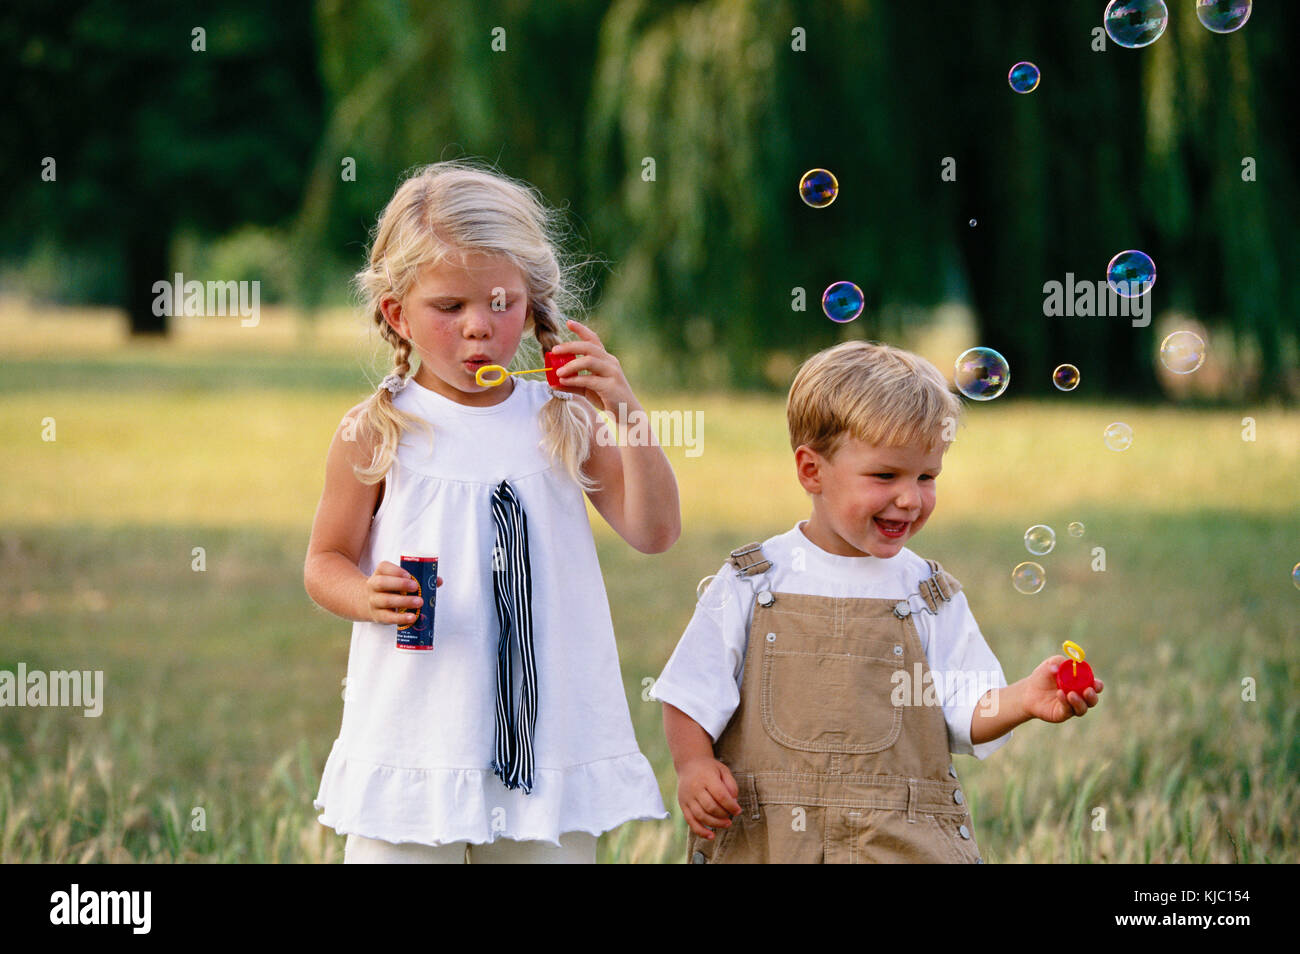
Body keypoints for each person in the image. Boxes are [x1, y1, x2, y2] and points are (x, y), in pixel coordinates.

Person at [304, 160, 679, 863]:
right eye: (450, 308)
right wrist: (365, 594)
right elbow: (323, 563)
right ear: (397, 313)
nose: (480, 328)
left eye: (501, 303)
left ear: (531, 302)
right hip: (418, 738)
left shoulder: (565, 420)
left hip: (549, 742)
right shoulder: (377, 430)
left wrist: (625, 411)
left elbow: (655, 533)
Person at [650, 340, 1103, 863]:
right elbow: (689, 691)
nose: (910, 498)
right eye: (885, 475)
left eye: (926, 476)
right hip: (772, 839)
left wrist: (1023, 699)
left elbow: (965, 707)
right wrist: (694, 767)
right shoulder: (753, 580)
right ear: (811, 471)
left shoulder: (929, 593)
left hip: (898, 839)